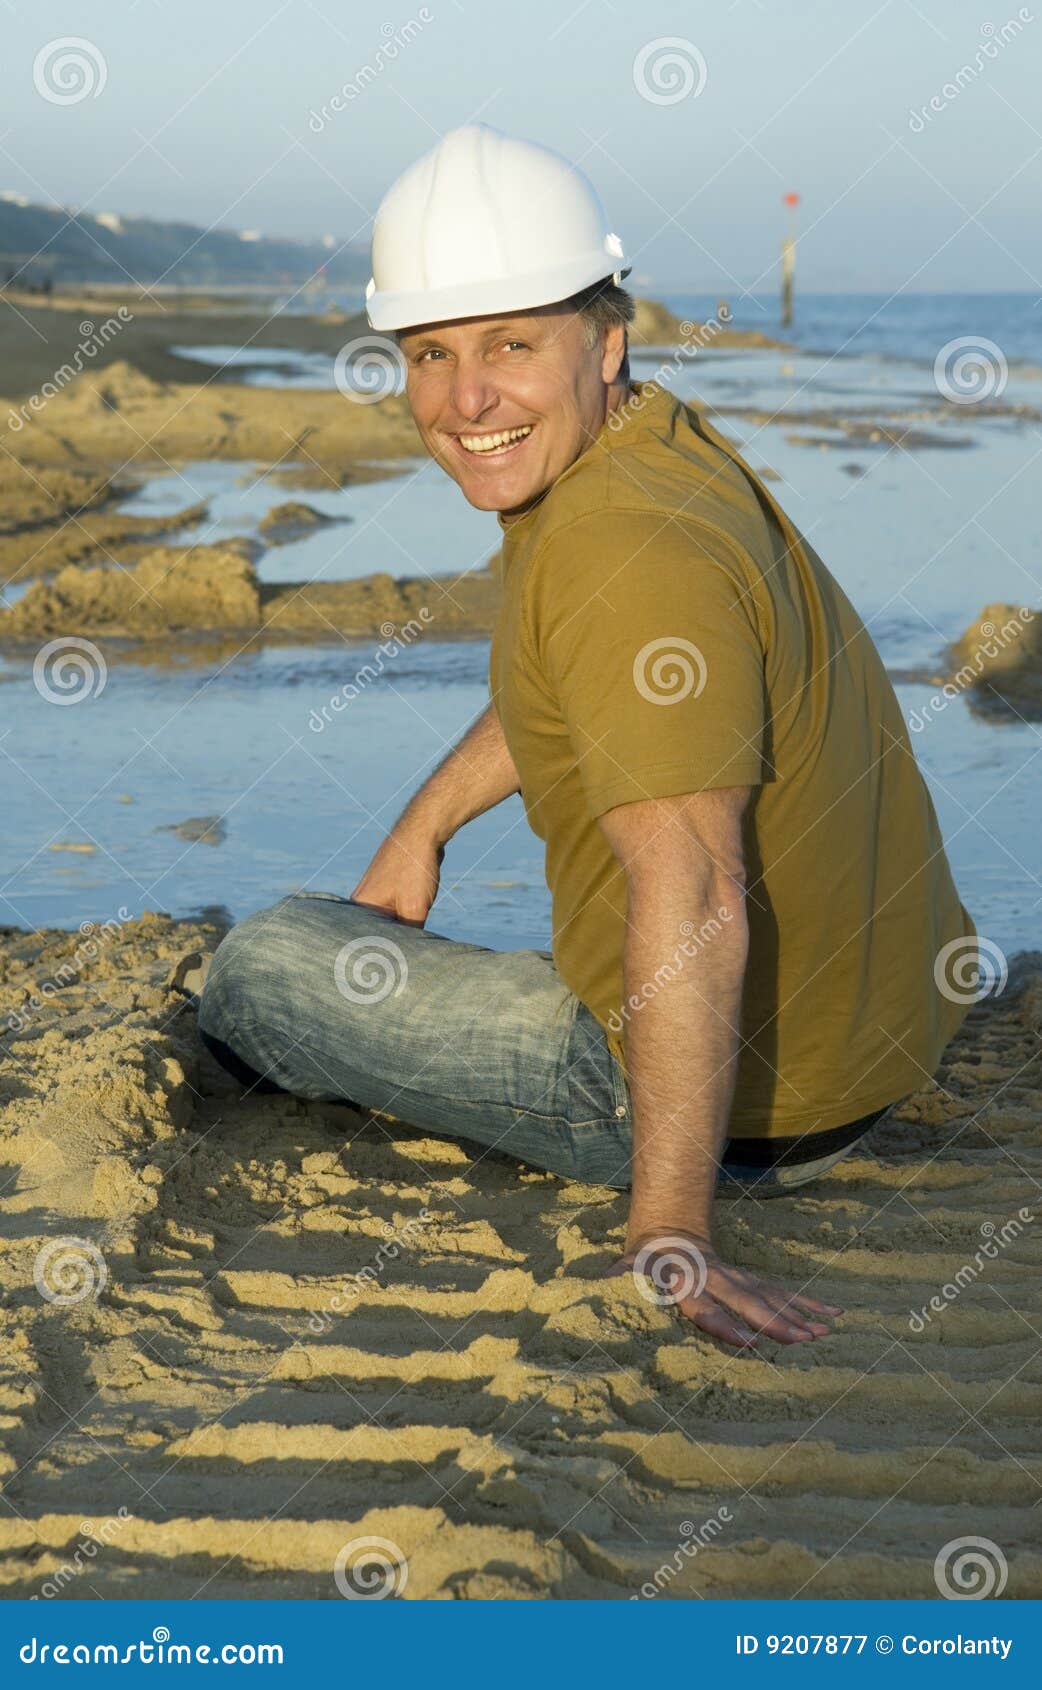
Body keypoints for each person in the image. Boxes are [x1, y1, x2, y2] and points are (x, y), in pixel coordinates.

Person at [197, 125, 975, 1350]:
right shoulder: (647, 446)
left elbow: (699, 883)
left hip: (758, 1108)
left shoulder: (622, 554)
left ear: (605, 338)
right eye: (431, 352)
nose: (466, 398)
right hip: (871, 1035)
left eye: (511, 342)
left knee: (267, 962)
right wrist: (425, 822)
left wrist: (669, 1228)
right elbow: (581, 680)